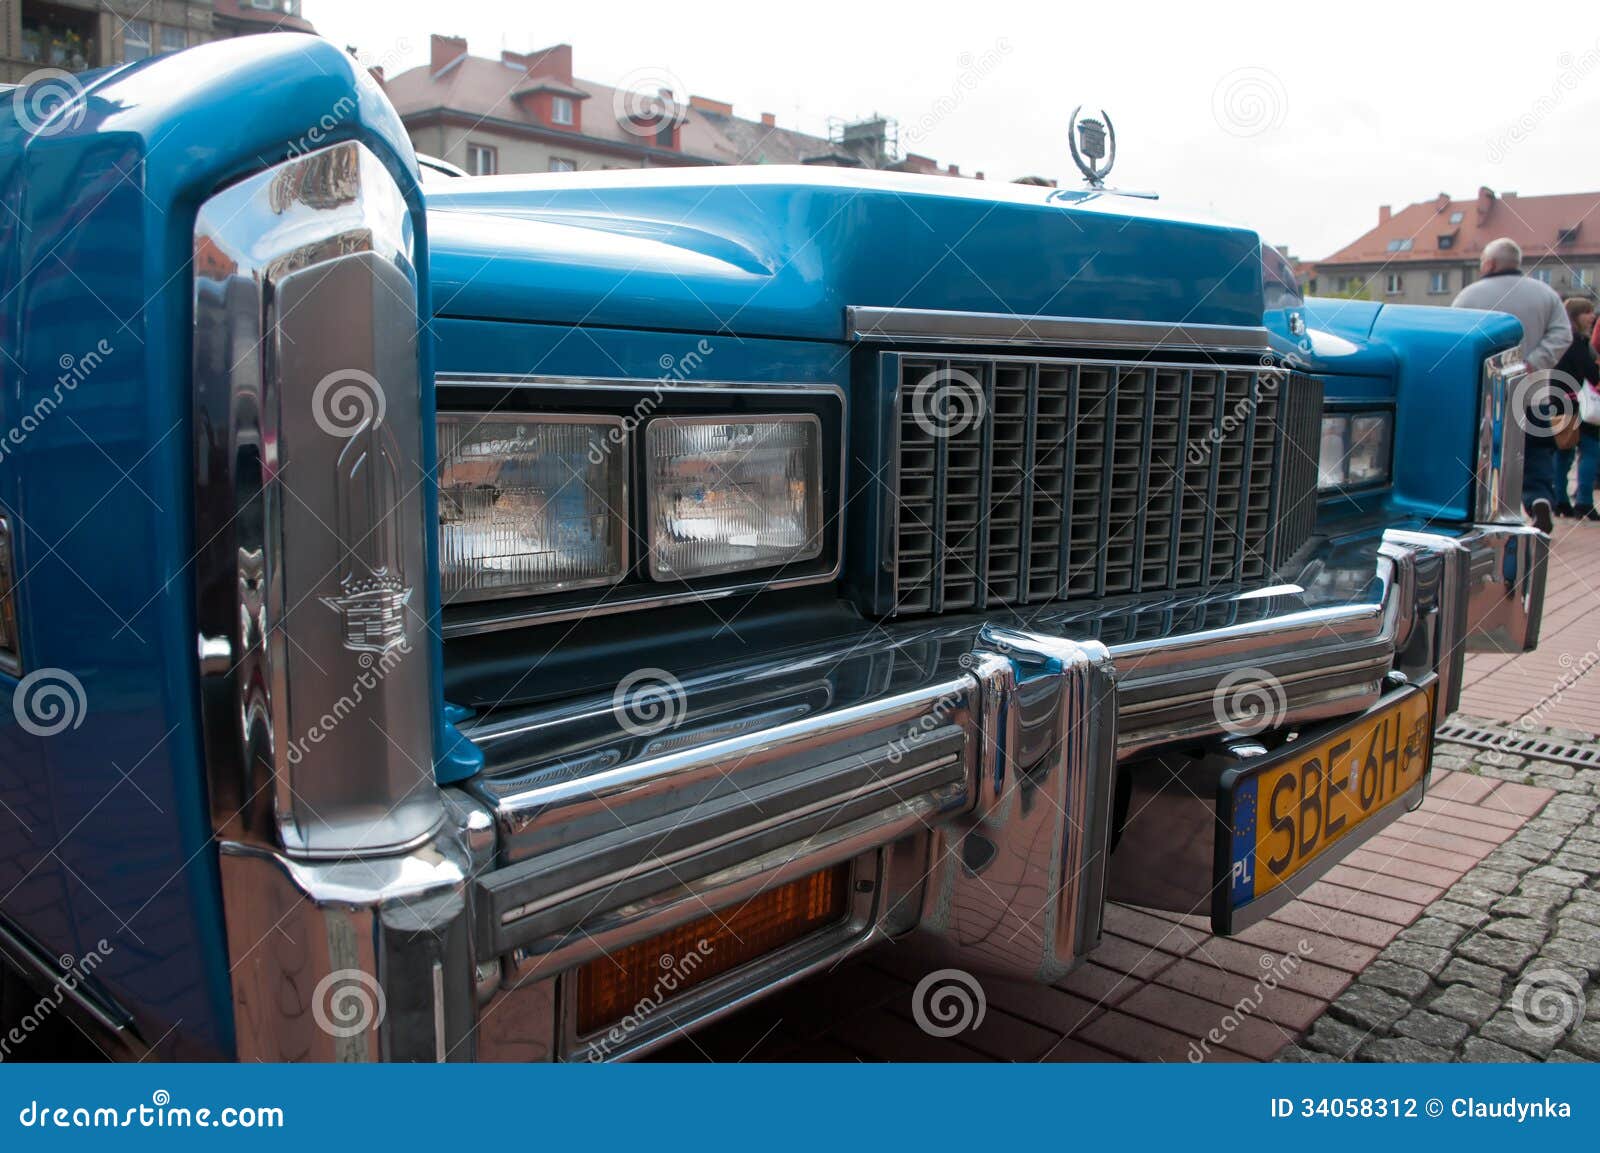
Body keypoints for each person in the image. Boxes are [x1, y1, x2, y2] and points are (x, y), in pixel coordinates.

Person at [1453, 238, 1572, 532]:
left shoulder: (1468, 297)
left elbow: (1454, 343)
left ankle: (1480, 511)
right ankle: (1540, 499)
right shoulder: (1545, 294)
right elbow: (1563, 335)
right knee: (1535, 453)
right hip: (1531, 393)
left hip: (1483, 396)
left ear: (1490, 264)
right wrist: (1531, 362)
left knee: (1481, 452)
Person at [1557, 296, 1600, 519]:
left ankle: (1560, 501)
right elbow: (1591, 373)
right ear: (1575, 316)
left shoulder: (1560, 339)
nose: (1592, 316)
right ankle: (1583, 502)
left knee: (1563, 452)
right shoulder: (1577, 341)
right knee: (1590, 450)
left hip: (1559, 401)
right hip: (1578, 405)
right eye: (1587, 312)